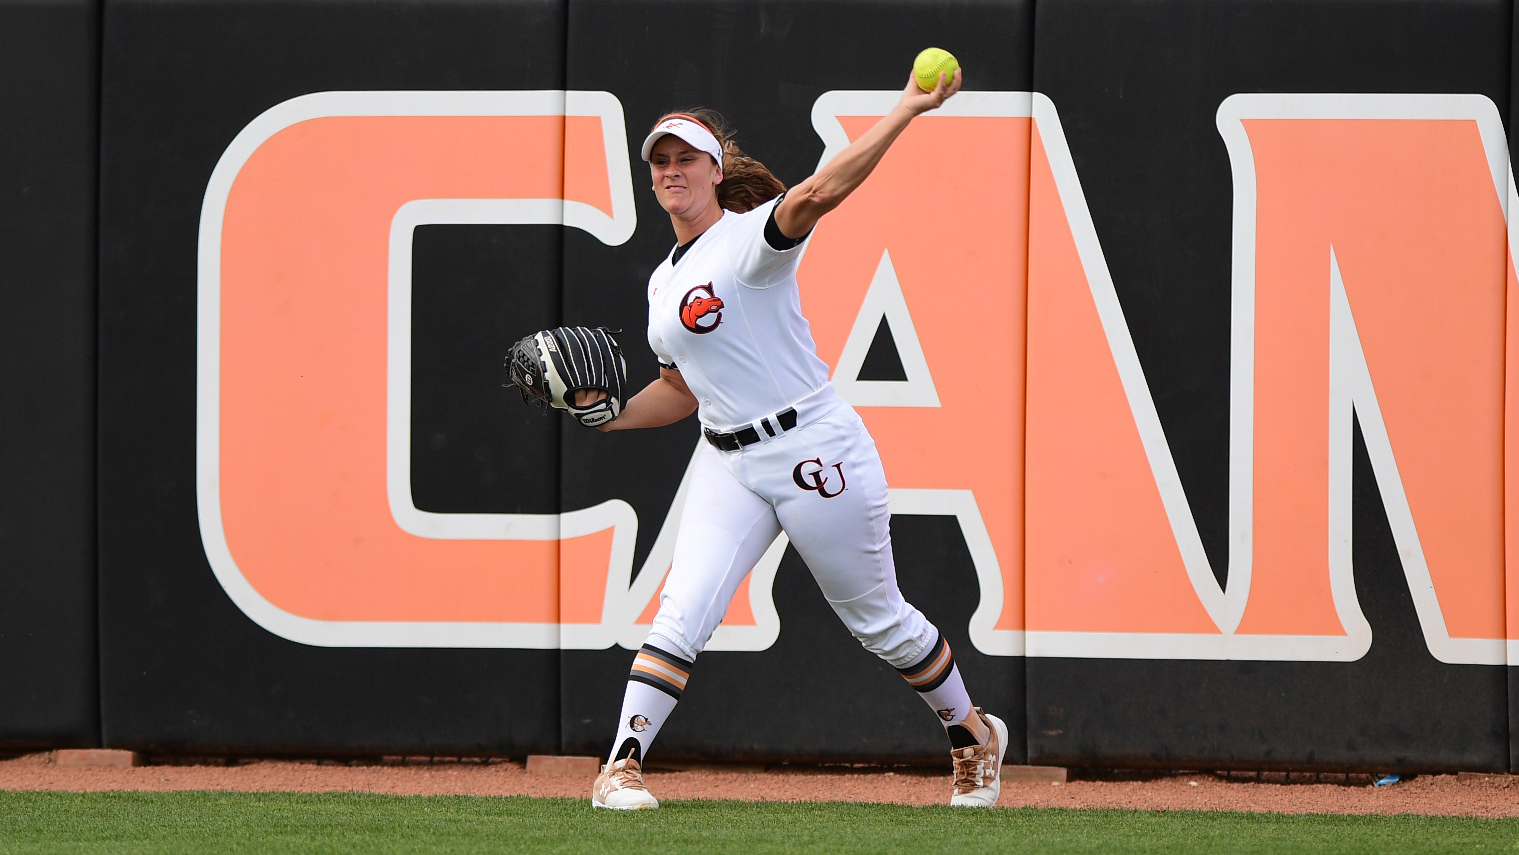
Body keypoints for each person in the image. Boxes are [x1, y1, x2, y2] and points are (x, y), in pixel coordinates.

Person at [587, 62, 1005, 810]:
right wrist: (606, 413)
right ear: (651, 179)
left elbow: (816, 193)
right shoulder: (661, 281)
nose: (672, 169)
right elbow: (679, 393)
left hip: (814, 448)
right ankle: (619, 766)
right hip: (725, 458)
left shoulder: (749, 242)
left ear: (716, 171)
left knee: (877, 621)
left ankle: (972, 735)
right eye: (661, 160)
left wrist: (907, 107)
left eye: (686, 157)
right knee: (682, 608)